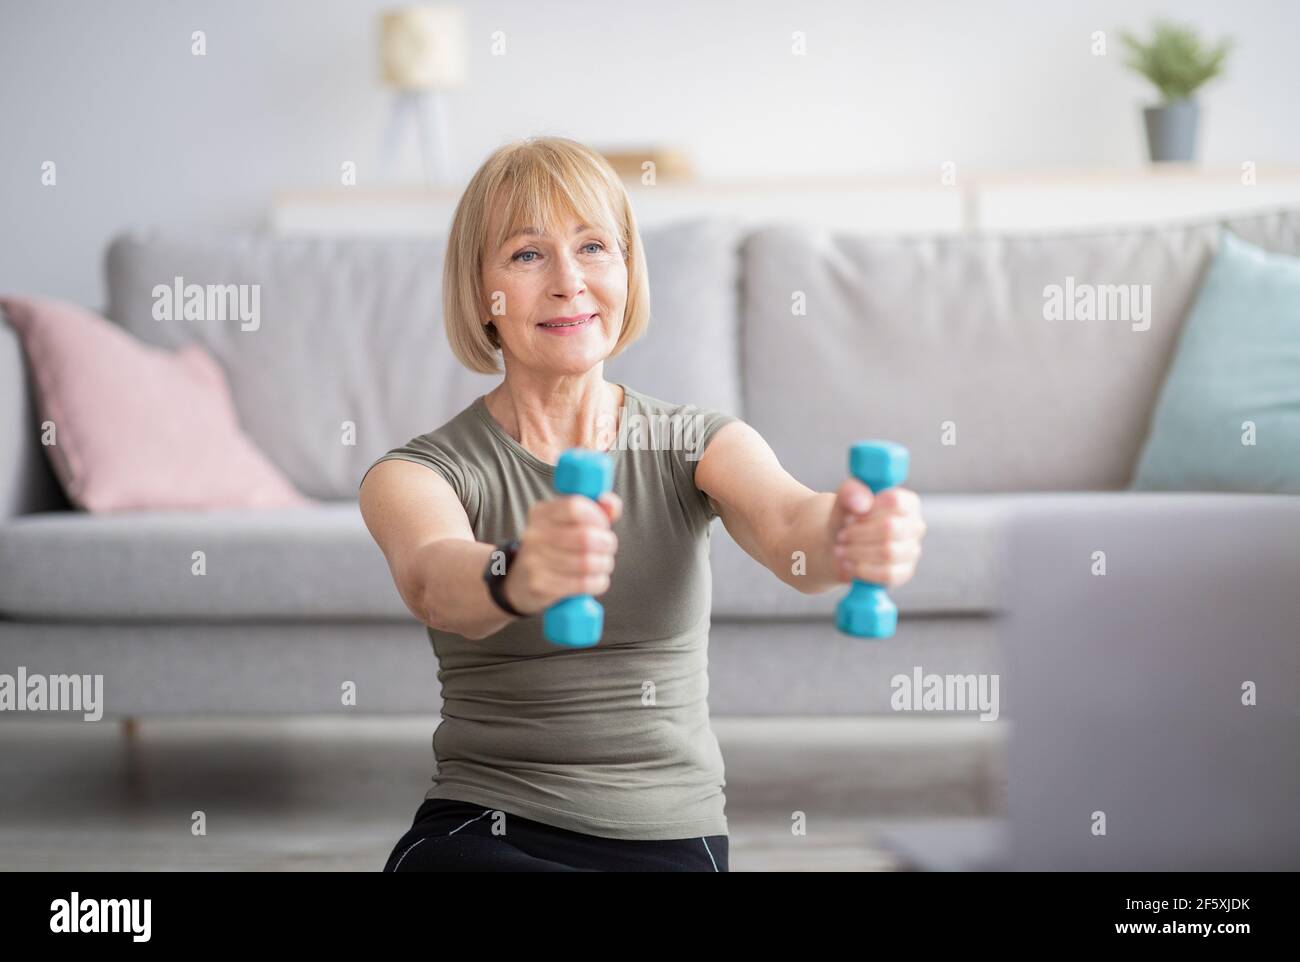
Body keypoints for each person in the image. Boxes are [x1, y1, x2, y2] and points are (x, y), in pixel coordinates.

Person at [359, 136, 927, 871]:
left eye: (594, 247)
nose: (569, 282)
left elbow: (791, 526)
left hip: (667, 836)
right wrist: (523, 571)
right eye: (528, 255)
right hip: (485, 828)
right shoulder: (418, 471)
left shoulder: (696, 442)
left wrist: (849, 536)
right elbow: (435, 580)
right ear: (480, 294)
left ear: (627, 270)